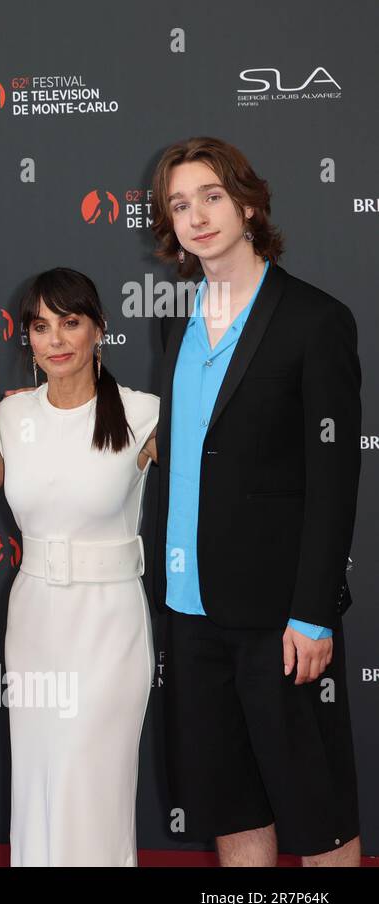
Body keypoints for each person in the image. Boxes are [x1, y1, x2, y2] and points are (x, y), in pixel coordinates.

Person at [149, 136, 361, 866]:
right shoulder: (177, 324)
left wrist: (312, 613)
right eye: (180, 204)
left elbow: (336, 483)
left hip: (279, 618)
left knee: (315, 810)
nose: (197, 216)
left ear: (247, 204)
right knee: (229, 803)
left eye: (211, 196)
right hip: (190, 611)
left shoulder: (313, 320)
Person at [0, 268, 159, 866]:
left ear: (99, 329)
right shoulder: (8, 418)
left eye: (71, 321)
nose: (56, 339)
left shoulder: (144, 414)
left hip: (110, 626)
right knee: (38, 774)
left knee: (93, 780)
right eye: (41, 326)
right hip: (36, 620)